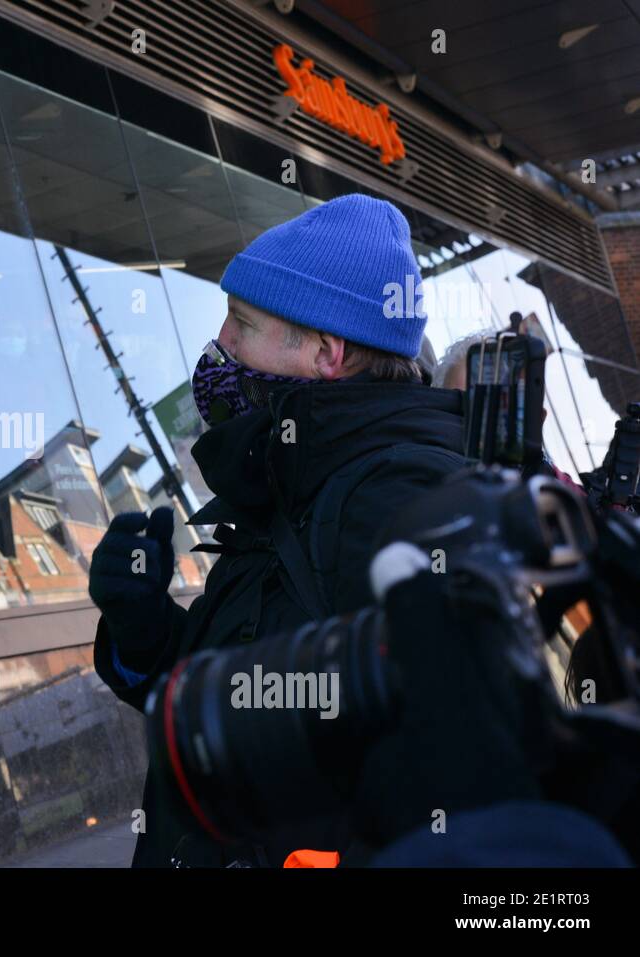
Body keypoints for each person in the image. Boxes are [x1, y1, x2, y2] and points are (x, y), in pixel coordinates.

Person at [88, 194, 469, 867]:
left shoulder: (400, 509)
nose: (221, 345)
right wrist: (142, 637)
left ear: (326, 352)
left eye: (242, 322)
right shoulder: (290, 488)